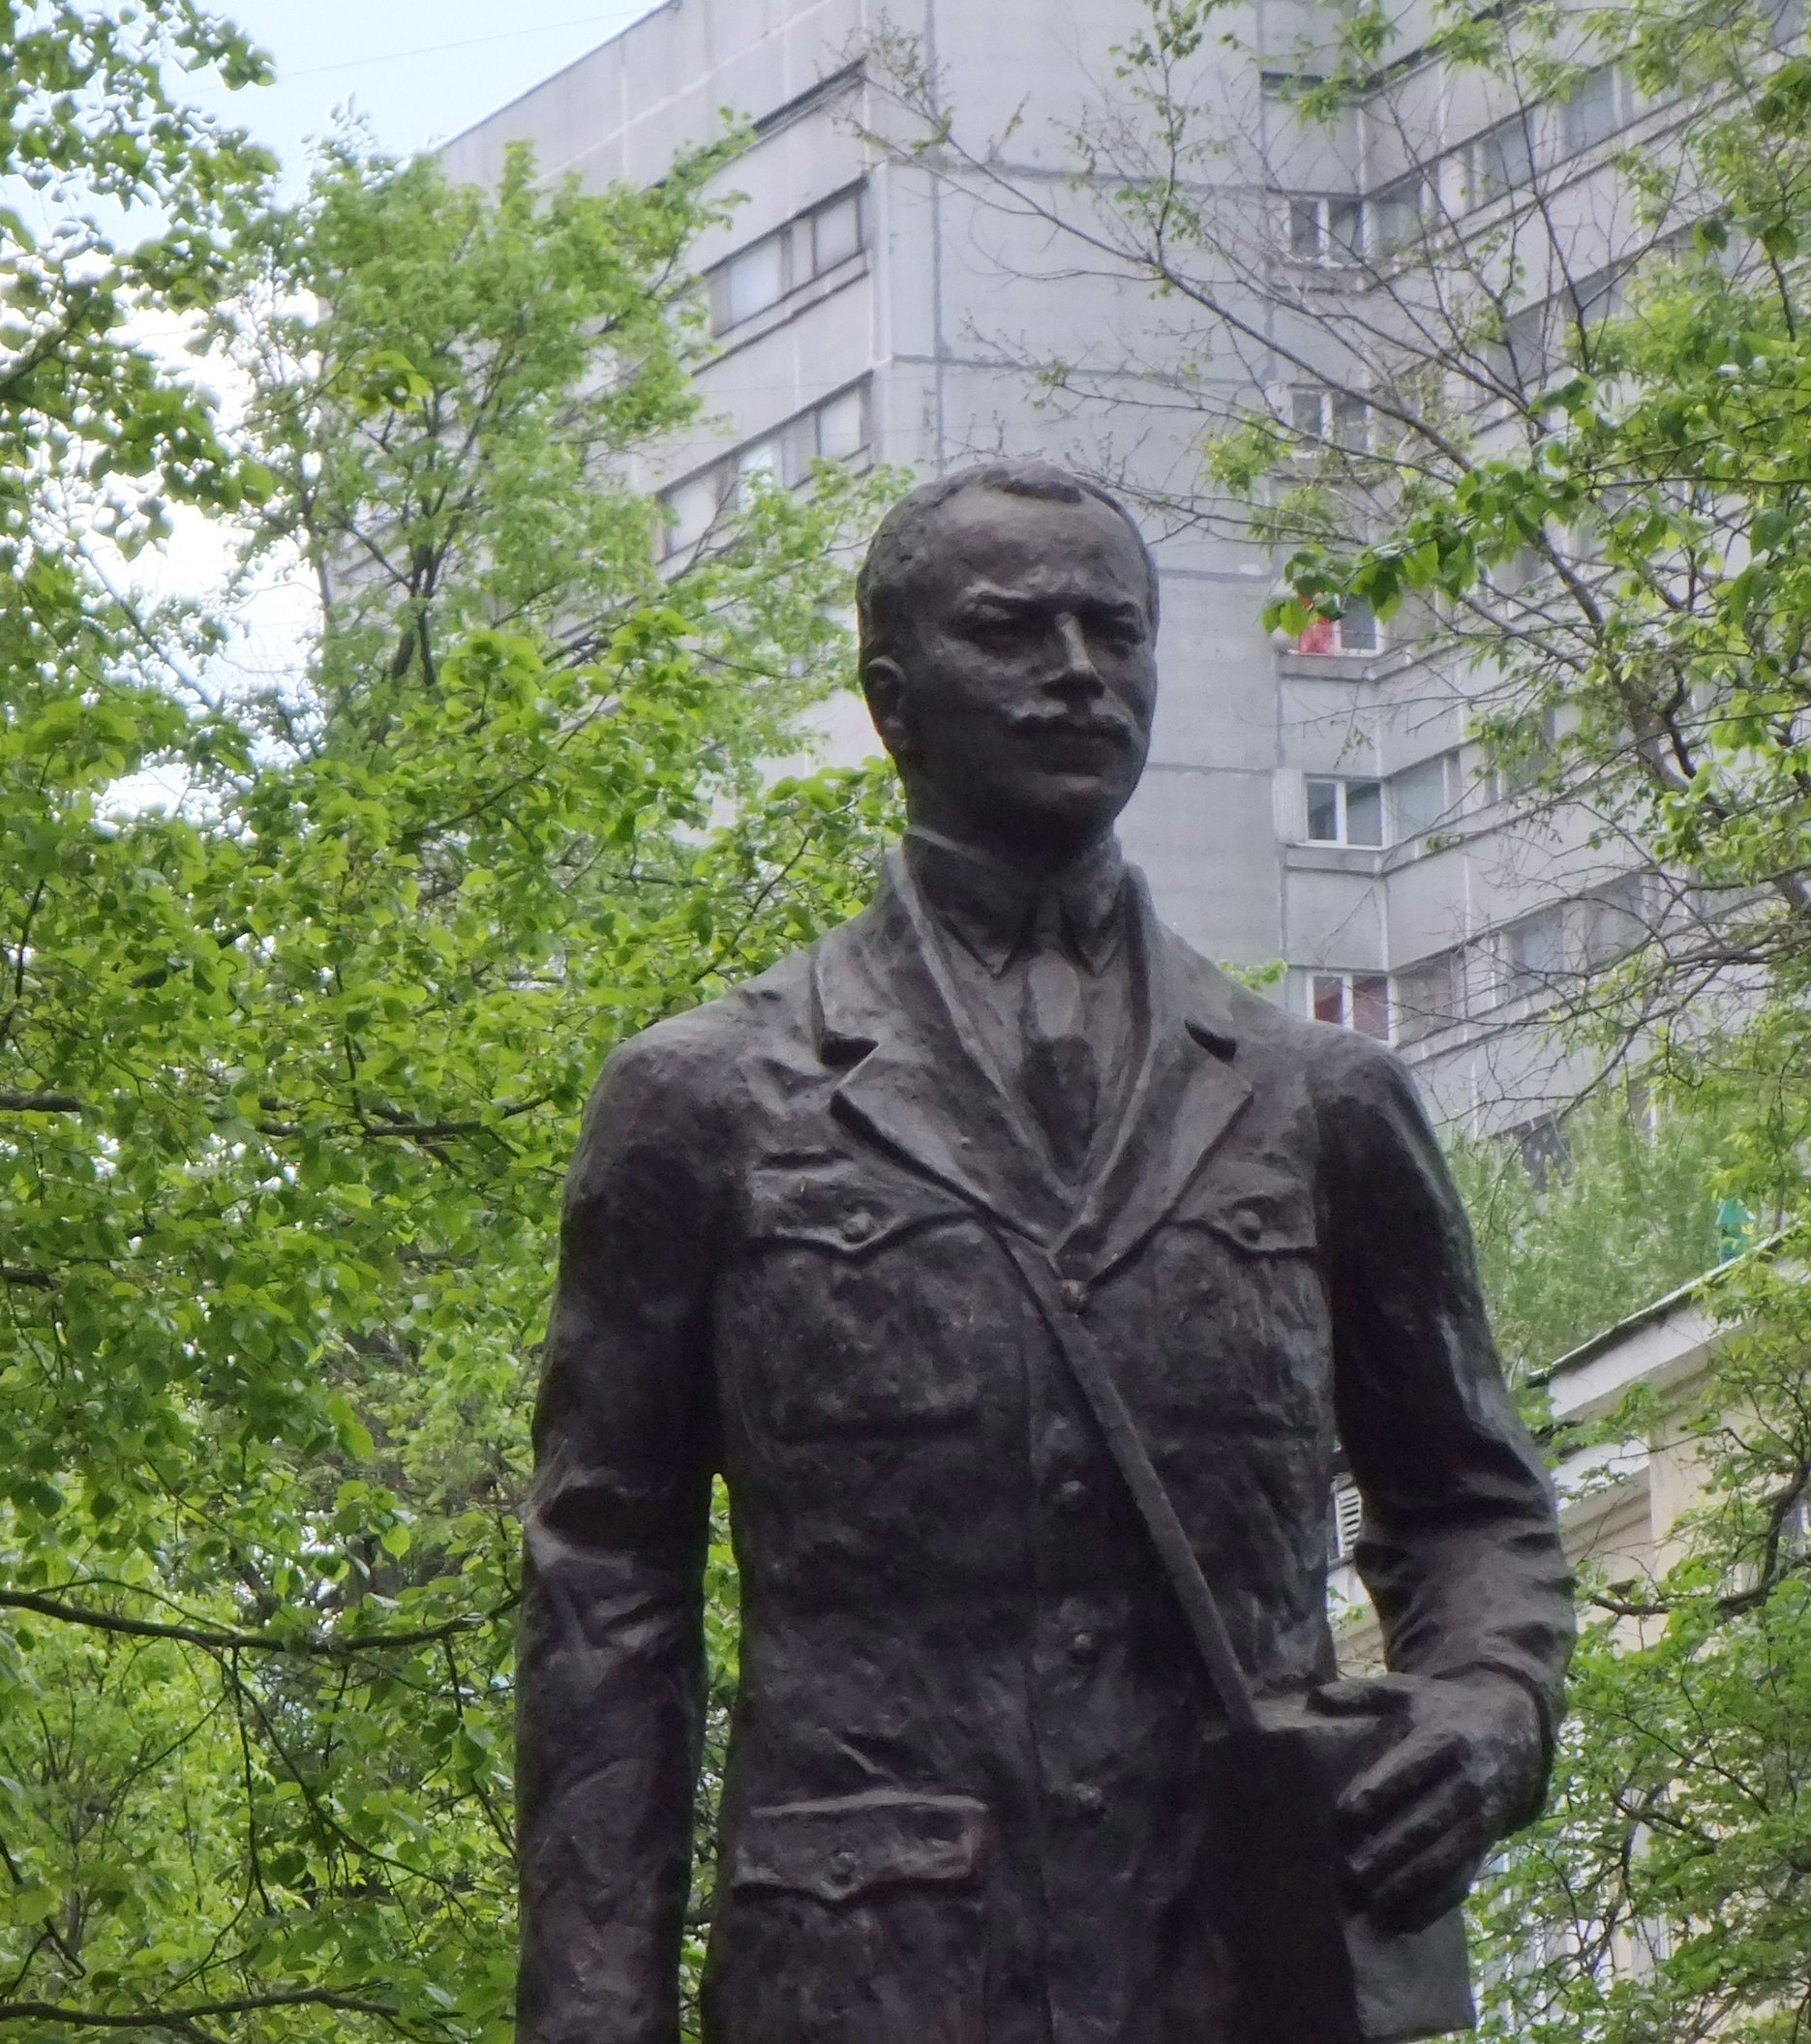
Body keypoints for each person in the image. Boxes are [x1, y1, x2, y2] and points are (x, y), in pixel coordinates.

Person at [515, 462, 1575, 2044]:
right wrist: (594, 2018)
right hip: (866, 1985)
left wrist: (1492, 1703)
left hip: (1240, 1964)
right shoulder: (705, 1101)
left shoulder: (1323, 1105)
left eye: (1114, 631)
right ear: (891, 700)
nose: (1079, 671)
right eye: (1015, 631)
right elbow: (604, 1589)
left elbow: (1472, 1504)